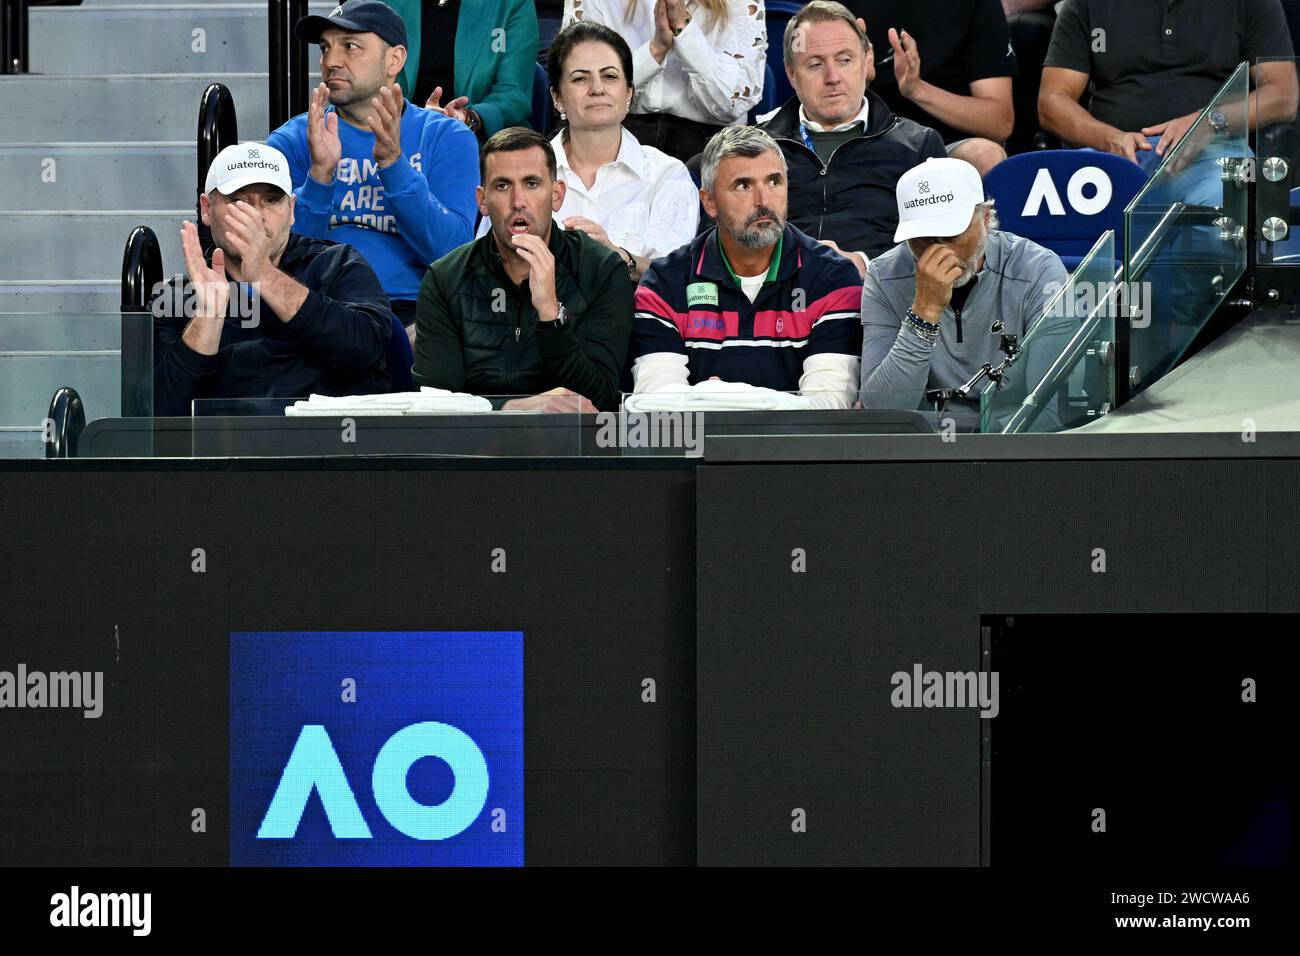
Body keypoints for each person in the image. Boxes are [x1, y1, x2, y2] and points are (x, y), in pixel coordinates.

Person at [266, 0, 479, 342]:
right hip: (318, 309)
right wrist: (320, 176)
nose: (331, 61)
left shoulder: (446, 137)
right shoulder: (291, 142)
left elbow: (451, 253)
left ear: (394, 59)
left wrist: (395, 165)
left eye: (350, 46)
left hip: (416, 315)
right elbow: (276, 259)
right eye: (325, 48)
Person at [153, 144, 393, 417]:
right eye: (239, 201)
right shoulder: (176, 297)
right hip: (222, 453)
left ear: (291, 210)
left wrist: (265, 275)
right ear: (206, 209)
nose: (257, 215)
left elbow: (365, 352)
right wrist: (208, 316)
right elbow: (157, 417)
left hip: (331, 448)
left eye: (271, 200)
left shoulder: (338, 264)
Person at [631, 126, 863, 408]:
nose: (763, 202)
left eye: (774, 182)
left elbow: (827, 408)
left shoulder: (833, 278)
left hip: (797, 451)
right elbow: (656, 408)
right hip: (701, 451)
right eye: (743, 185)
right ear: (709, 202)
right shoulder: (664, 283)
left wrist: (720, 396)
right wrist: (759, 403)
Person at [413, 128, 635, 412]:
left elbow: (599, 400)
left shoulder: (601, 270)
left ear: (556, 195)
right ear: (482, 200)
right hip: (478, 449)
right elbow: (437, 406)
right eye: (503, 186)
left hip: (571, 446)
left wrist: (550, 315)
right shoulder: (445, 279)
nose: (518, 201)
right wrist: (512, 411)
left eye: (531, 184)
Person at [859, 157, 1067, 429]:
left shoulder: (1037, 270)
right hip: (924, 446)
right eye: (923, 237)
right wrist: (924, 313)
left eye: (950, 234)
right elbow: (882, 411)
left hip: (1015, 441)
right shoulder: (885, 275)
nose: (938, 252)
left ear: (986, 217)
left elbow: (1050, 405)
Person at [756, 0, 946, 279]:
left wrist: (865, 265)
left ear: (866, 60)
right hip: (777, 298)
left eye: (845, 60)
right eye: (815, 64)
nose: (832, 77)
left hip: (880, 300)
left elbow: (941, 248)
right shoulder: (758, 149)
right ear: (791, 75)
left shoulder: (918, 146)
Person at [1039, 0, 1298, 171]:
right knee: (1072, 234)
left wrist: (1206, 123)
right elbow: (1052, 100)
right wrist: (1108, 139)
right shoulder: (1086, 3)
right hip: (1111, 155)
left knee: (1223, 230)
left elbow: (1282, 95)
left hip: (1212, 151)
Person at [541, 20, 699, 280]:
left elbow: (677, 279)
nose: (597, 89)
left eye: (610, 76)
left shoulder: (666, 175)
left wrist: (619, 258)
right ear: (557, 97)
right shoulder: (528, 171)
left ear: (629, 93)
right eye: (580, 78)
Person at [563, 0, 768, 164]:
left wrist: (684, 30)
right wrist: (655, 50)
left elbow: (731, 105)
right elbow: (581, 92)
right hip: (615, 130)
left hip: (707, 141)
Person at [844, 0, 1017, 175]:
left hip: (946, 148)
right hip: (865, 140)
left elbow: (1000, 121)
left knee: (986, 155)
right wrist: (860, 82)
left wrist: (917, 89)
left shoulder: (976, 5)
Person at [383, 0, 539, 138]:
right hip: (392, 131)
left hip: (480, 141)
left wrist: (469, 117)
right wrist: (409, 119)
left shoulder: (511, 3)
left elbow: (514, 94)